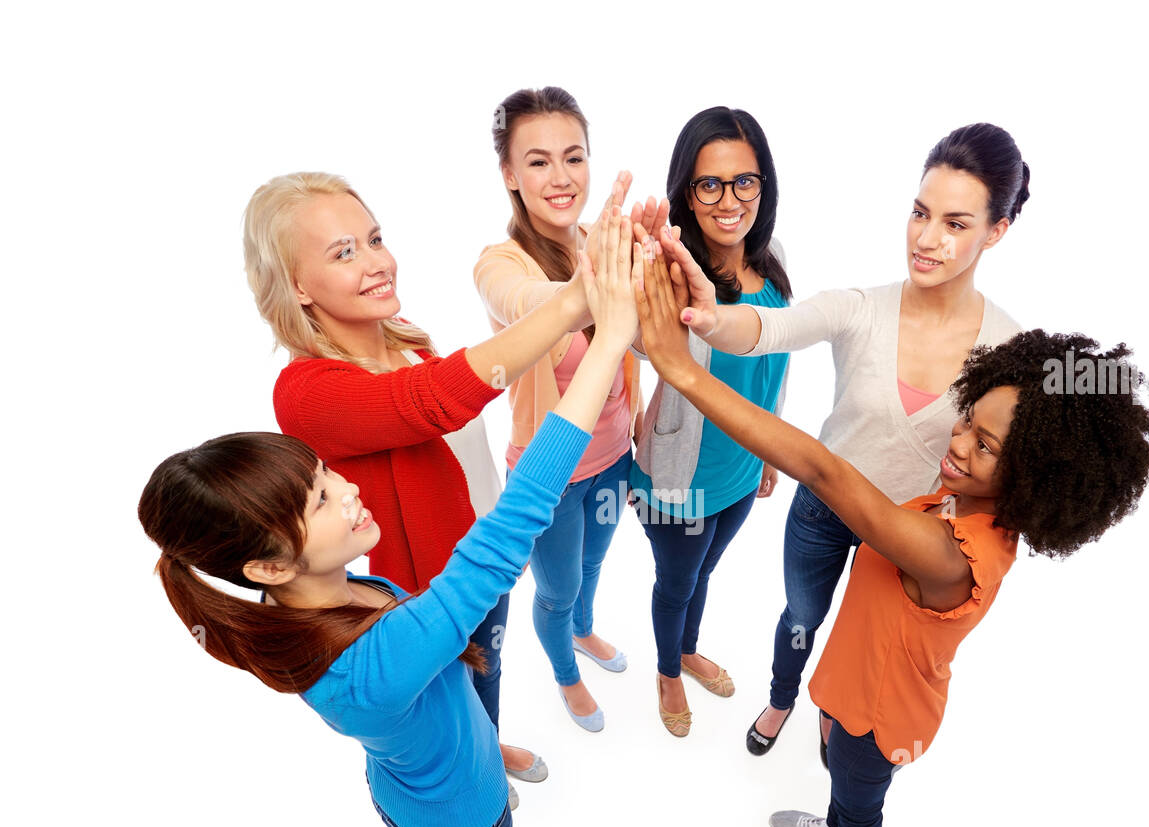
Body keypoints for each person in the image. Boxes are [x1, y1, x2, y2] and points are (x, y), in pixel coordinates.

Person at [140, 205, 642, 827]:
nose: (345, 488)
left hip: (418, 803)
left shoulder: (318, 600)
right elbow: (512, 524)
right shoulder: (381, 658)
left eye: (324, 473)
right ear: (268, 565)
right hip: (465, 822)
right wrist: (604, 338)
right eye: (319, 499)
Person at [635, 243, 1149, 827]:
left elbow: (822, 468)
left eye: (987, 445)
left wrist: (685, 371)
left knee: (860, 788)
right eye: (967, 422)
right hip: (857, 683)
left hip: (880, 716)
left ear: (1034, 475)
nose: (958, 442)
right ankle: (834, 821)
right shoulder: (961, 502)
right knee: (841, 771)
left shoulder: (953, 554)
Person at [659, 123, 1030, 757]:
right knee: (802, 617)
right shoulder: (860, 308)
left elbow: (1007, 467)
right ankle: (782, 699)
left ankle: (836, 712)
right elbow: (770, 327)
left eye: (956, 224)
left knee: (864, 637)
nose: (927, 238)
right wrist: (710, 316)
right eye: (920, 213)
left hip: (907, 532)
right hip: (821, 513)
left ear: (996, 231)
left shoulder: (1008, 349)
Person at [244, 171, 623, 786]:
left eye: (374, 239)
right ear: (294, 286)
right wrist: (574, 302)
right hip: (422, 600)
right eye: (344, 253)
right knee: (448, 703)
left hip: (479, 565)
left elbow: (463, 454)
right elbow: (439, 402)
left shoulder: (406, 341)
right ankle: (473, 784)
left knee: (488, 674)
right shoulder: (306, 390)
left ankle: (489, 748)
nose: (377, 262)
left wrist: (506, 544)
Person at [474, 87, 654, 733]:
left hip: (614, 459)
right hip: (549, 475)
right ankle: (565, 673)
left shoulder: (603, 242)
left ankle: (583, 632)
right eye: (539, 161)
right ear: (510, 175)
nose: (560, 177)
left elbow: (636, 342)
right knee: (554, 589)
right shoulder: (500, 265)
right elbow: (529, 302)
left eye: (573, 158)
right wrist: (600, 277)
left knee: (592, 567)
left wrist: (651, 274)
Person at [627, 107, 792, 737]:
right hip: (680, 480)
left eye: (744, 181)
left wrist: (772, 448)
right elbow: (643, 342)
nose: (730, 200)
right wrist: (639, 272)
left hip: (744, 468)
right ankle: (669, 670)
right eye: (709, 185)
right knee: (676, 582)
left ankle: (685, 649)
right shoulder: (672, 275)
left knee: (704, 573)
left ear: (763, 186)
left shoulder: (772, 257)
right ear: (686, 196)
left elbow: (773, 360)